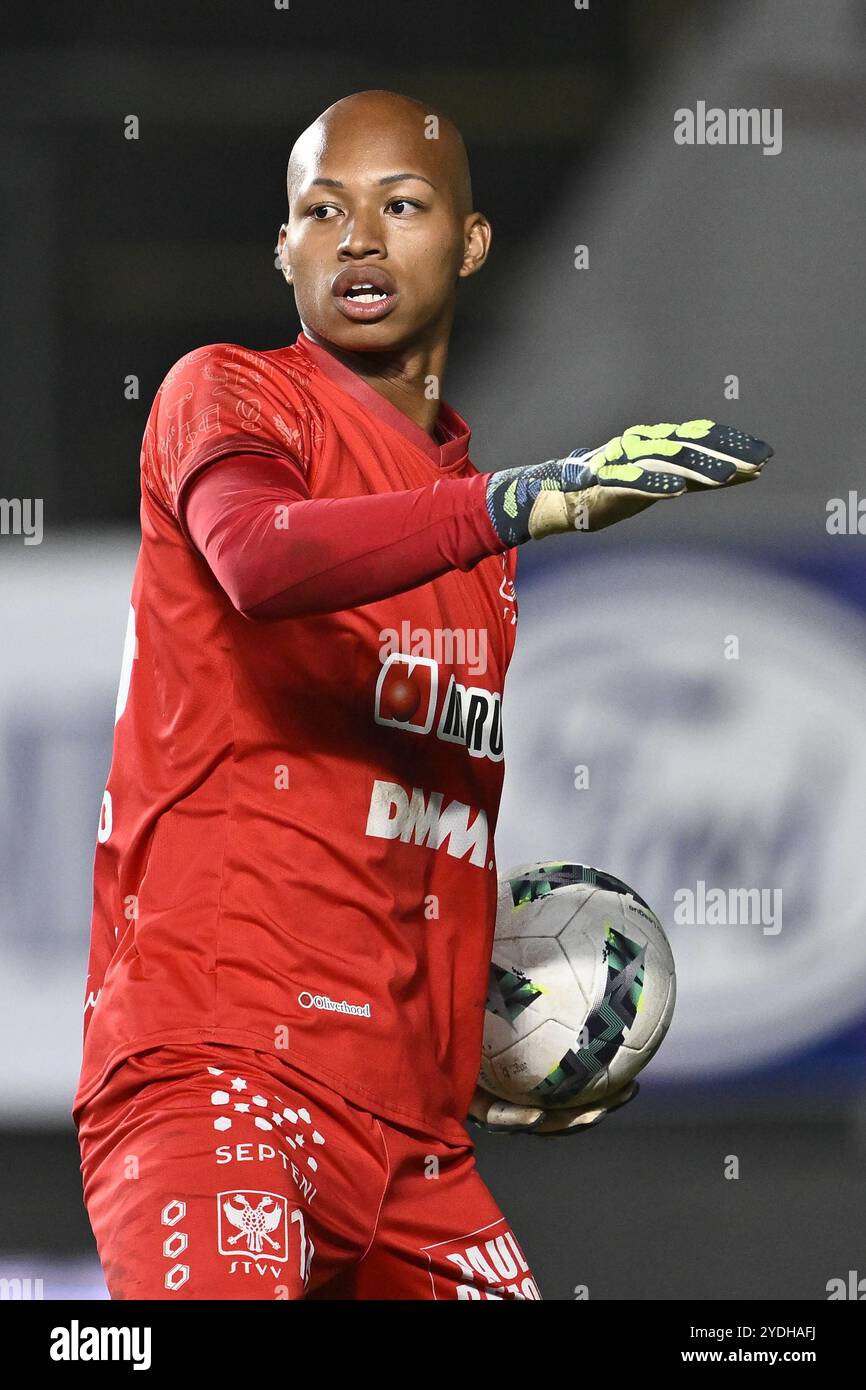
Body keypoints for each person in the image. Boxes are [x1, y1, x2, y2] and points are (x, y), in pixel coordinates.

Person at [73, 89, 772, 1301]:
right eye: (320, 212)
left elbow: (415, 822)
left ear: (469, 241)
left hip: (411, 1142)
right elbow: (259, 555)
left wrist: (490, 1044)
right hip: (217, 1065)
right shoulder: (232, 396)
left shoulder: (473, 547)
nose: (356, 238)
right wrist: (517, 499)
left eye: (398, 206)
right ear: (282, 250)